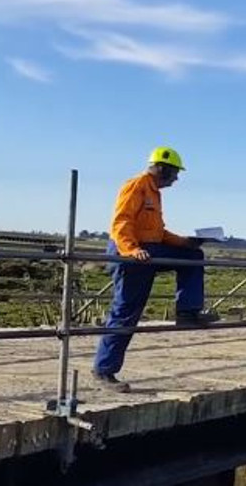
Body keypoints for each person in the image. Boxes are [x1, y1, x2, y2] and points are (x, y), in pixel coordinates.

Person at [93, 147, 218, 392]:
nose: (176, 179)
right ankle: (103, 370)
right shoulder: (137, 185)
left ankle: (187, 312)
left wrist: (184, 242)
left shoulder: (154, 193)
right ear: (163, 168)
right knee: (126, 310)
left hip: (149, 251)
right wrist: (131, 250)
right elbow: (121, 222)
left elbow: (157, 233)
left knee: (193, 255)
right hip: (131, 254)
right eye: (174, 173)